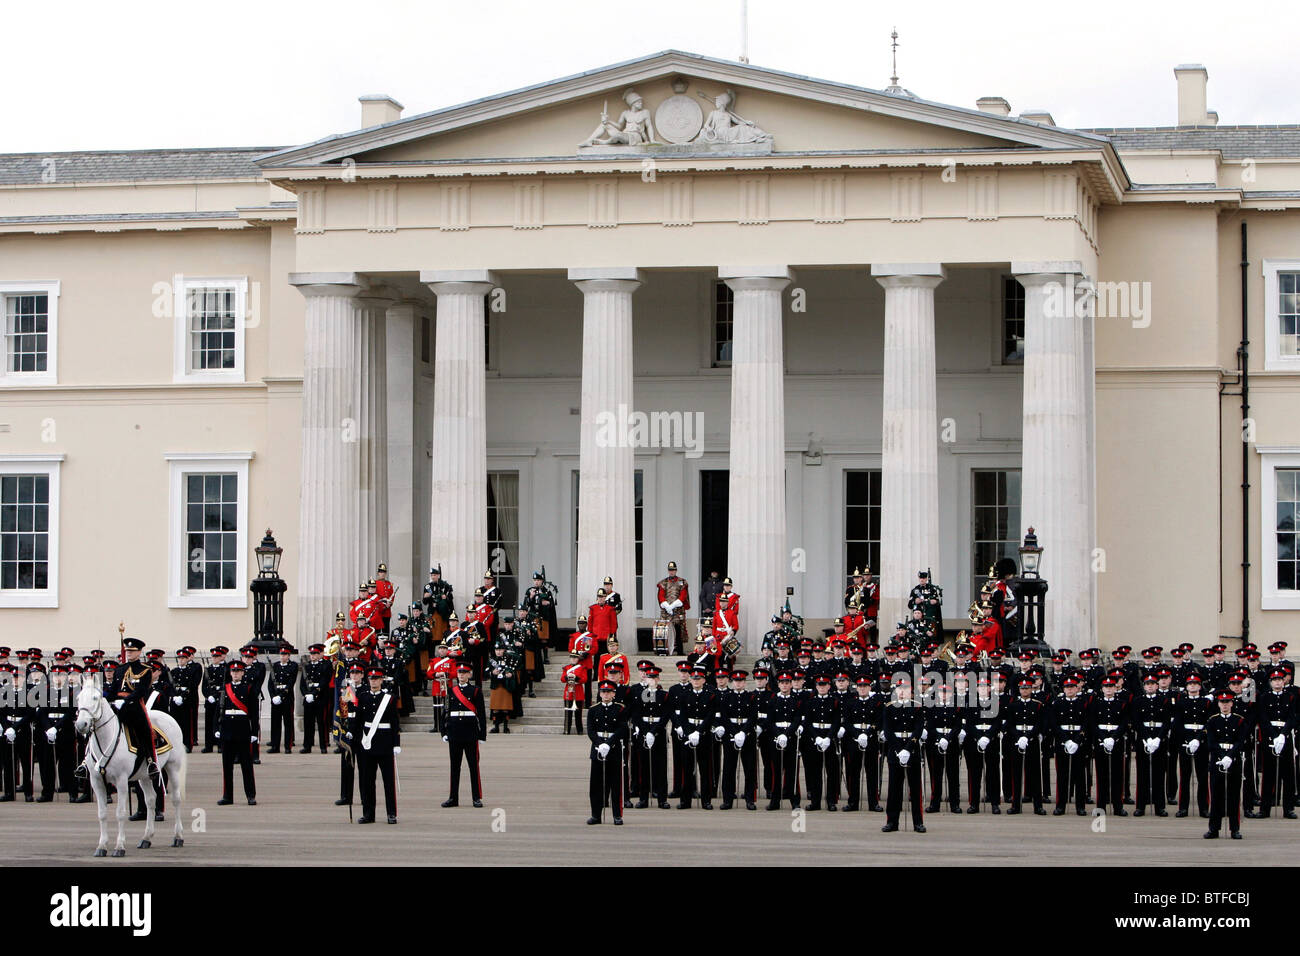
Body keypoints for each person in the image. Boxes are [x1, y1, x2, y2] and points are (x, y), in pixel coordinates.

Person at [349, 666, 400, 824]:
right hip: (367, 744)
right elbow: (358, 720)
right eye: (371, 679)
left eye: (377, 678)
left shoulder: (389, 698)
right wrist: (352, 734)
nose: (374, 681)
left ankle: (391, 813)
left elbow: (394, 722)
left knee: (388, 782)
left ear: (381, 680)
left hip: (384, 743)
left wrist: (396, 743)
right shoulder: (362, 696)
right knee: (367, 781)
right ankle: (368, 813)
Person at [881, 681, 926, 832]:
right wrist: (899, 750)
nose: (901, 692)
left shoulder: (917, 707)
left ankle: (918, 822)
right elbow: (887, 731)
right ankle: (892, 822)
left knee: (915, 788)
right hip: (895, 750)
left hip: (911, 750)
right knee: (894, 788)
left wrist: (908, 749)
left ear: (910, 691)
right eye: (899, 689)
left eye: (905, 689)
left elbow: (918, 729)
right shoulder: (889, 707)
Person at [442, 661, 486, 808]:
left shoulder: (475, 691)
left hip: (470, 731)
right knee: (454, 767)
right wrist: (444, 731)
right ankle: (453, 797)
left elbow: (482, 713)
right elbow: (446, 712)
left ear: (469, 675)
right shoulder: (451, 691)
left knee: (473, 766)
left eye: (464, 673)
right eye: (459, 673)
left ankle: (476, 797)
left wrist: (482, 735)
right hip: (454, 731)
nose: (461, 675)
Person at [1205, 690, 1248, 839]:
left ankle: (1234, 828)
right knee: (1216, 796)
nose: (1225, 705)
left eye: (1227, 702)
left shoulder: (1239, 720)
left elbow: (1241, 741)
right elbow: (1211, 742)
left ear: (1232, 703)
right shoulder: (1212, 721)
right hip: (1217, 760)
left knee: (1234, 796)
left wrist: (1230, 757)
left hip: (1233, 760)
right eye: (1222, 702)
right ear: (1218, 704)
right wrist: (1222, 757)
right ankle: (1213, 828)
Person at [673, 665, 716, 809]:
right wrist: (689, 732)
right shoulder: (685, 695)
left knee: (705, 769)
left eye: (699, 678)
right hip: (689, 733)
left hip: (703, 734)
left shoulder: (710, 694)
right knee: (687, 768)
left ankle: (706, 800)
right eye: (693, 678)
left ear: (704, 680)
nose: (696, 681)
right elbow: (682, 716)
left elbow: (710, 715)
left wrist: (699, 732)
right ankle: (685, 800)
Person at [1171, 673, 1212, 818]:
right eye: (1190, 684)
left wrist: (1199, 738)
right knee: (1185, 776)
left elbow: (1209, 723)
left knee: (1202, 777)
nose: (1192, 686)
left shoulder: (1206, 703)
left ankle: (1204, 808)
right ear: (1186, 687)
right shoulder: (1181, 702)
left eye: (1195, 683)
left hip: (1201, 742)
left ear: (1200, 686)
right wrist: (1188, 740)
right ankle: (1183, 808)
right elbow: (1177, 724)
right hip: (1185, 742)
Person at [216, 660, 257, 806]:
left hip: (242, 730)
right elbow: (218, 710)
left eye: (238, 671)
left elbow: (253, 712)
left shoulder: (248, 688)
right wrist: (216, 728)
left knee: (246, 765)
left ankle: (250, 795)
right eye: (233, 672)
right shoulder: (224, 688)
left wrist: (254, 732)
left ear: (243, 673)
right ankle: (227, 796)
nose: (235, 674)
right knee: (227, 766)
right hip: (227, 730)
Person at [586, 680, 627, 824]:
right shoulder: (593, 709)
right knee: (596, 784)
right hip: (597, 749)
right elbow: (590, 730)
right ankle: (595, 814)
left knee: (615, 784)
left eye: (609, 692)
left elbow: (622, 729)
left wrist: (609, 744)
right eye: (603, 692)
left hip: (613, 748)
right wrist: (599, 744)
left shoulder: (620, 709)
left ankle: (617, 815)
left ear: (614, 694)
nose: (606, 694)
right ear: (599, 693)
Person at [1047, 676, 1089, 815]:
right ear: (1063, 689)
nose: (1069, 689)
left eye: (1072, 687)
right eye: (1067, 687)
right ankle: (1060, 805)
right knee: (1062, 776)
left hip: (1079, 743)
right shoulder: (1057, 703)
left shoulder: (1084, 703)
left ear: (1077, 688)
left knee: (1080, 777)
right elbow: (1054, 724)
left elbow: (1086, 723)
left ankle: (1080, 806)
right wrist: (1065, 740)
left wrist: (1077, 740)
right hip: (1063, 742)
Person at [299, 643, 332, 753]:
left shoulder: (326, 665)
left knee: (321, 722)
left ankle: (323, 745)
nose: (313, 656)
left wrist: (314, 693)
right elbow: (302, 683)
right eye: (311, 654)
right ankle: (307, 745)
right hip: (308, 698)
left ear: (320, 654)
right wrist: (306, 694)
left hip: (320, 698)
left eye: (315, 653)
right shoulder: (307, 666)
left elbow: (324, 681)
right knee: (308, 723)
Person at [267, 643, 298, 754]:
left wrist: (281, 696)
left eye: (285, 654)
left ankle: (287, 746)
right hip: (275, 698)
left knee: (288, 723)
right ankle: (275, 746)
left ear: (289, 656)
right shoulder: (275, 666)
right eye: (281, 654)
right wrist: (273, 697)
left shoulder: (293, 666)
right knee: (275, 723)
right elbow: (270, 683)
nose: (283, 656)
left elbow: (291, 683)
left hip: (287, 698)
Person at [656, 562, 691, 654]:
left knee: (679, 630)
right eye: (670, 570)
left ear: (676, 570)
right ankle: (664, 650)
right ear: (668, 571)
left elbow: (683, 595)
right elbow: (661, 596)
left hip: (678, 610)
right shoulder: (663, 582)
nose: (672, 572)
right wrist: (667, 607)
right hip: (666, 610)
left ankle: (679, 651)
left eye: (673, 570)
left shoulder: (682, 582)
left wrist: (673, 606)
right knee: (664, 631)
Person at [170, 647, 201, 752]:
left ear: (187, 659)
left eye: (183, 658)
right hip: (175, 700)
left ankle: (187, 744)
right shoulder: (173, 671)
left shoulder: (190, 671)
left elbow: (192, 686)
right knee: (175, 723)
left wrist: (182, 697)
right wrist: (174, 696)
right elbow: (170, 686)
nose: (181, 660)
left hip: (186, 700)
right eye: (179, 658)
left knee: (186, 724)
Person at [487, 644, 516, 734]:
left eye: (500, 650)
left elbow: (513, 669)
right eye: (497, 650)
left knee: (505, 707)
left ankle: (506, 727)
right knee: (495, 707)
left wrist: (511, 674)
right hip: (496, 685)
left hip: (505, 685)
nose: (498, 652)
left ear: (504, 650)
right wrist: (492, 672)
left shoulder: (508, 660)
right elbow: (486, 671)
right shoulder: (492, 661)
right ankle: (496, 727)